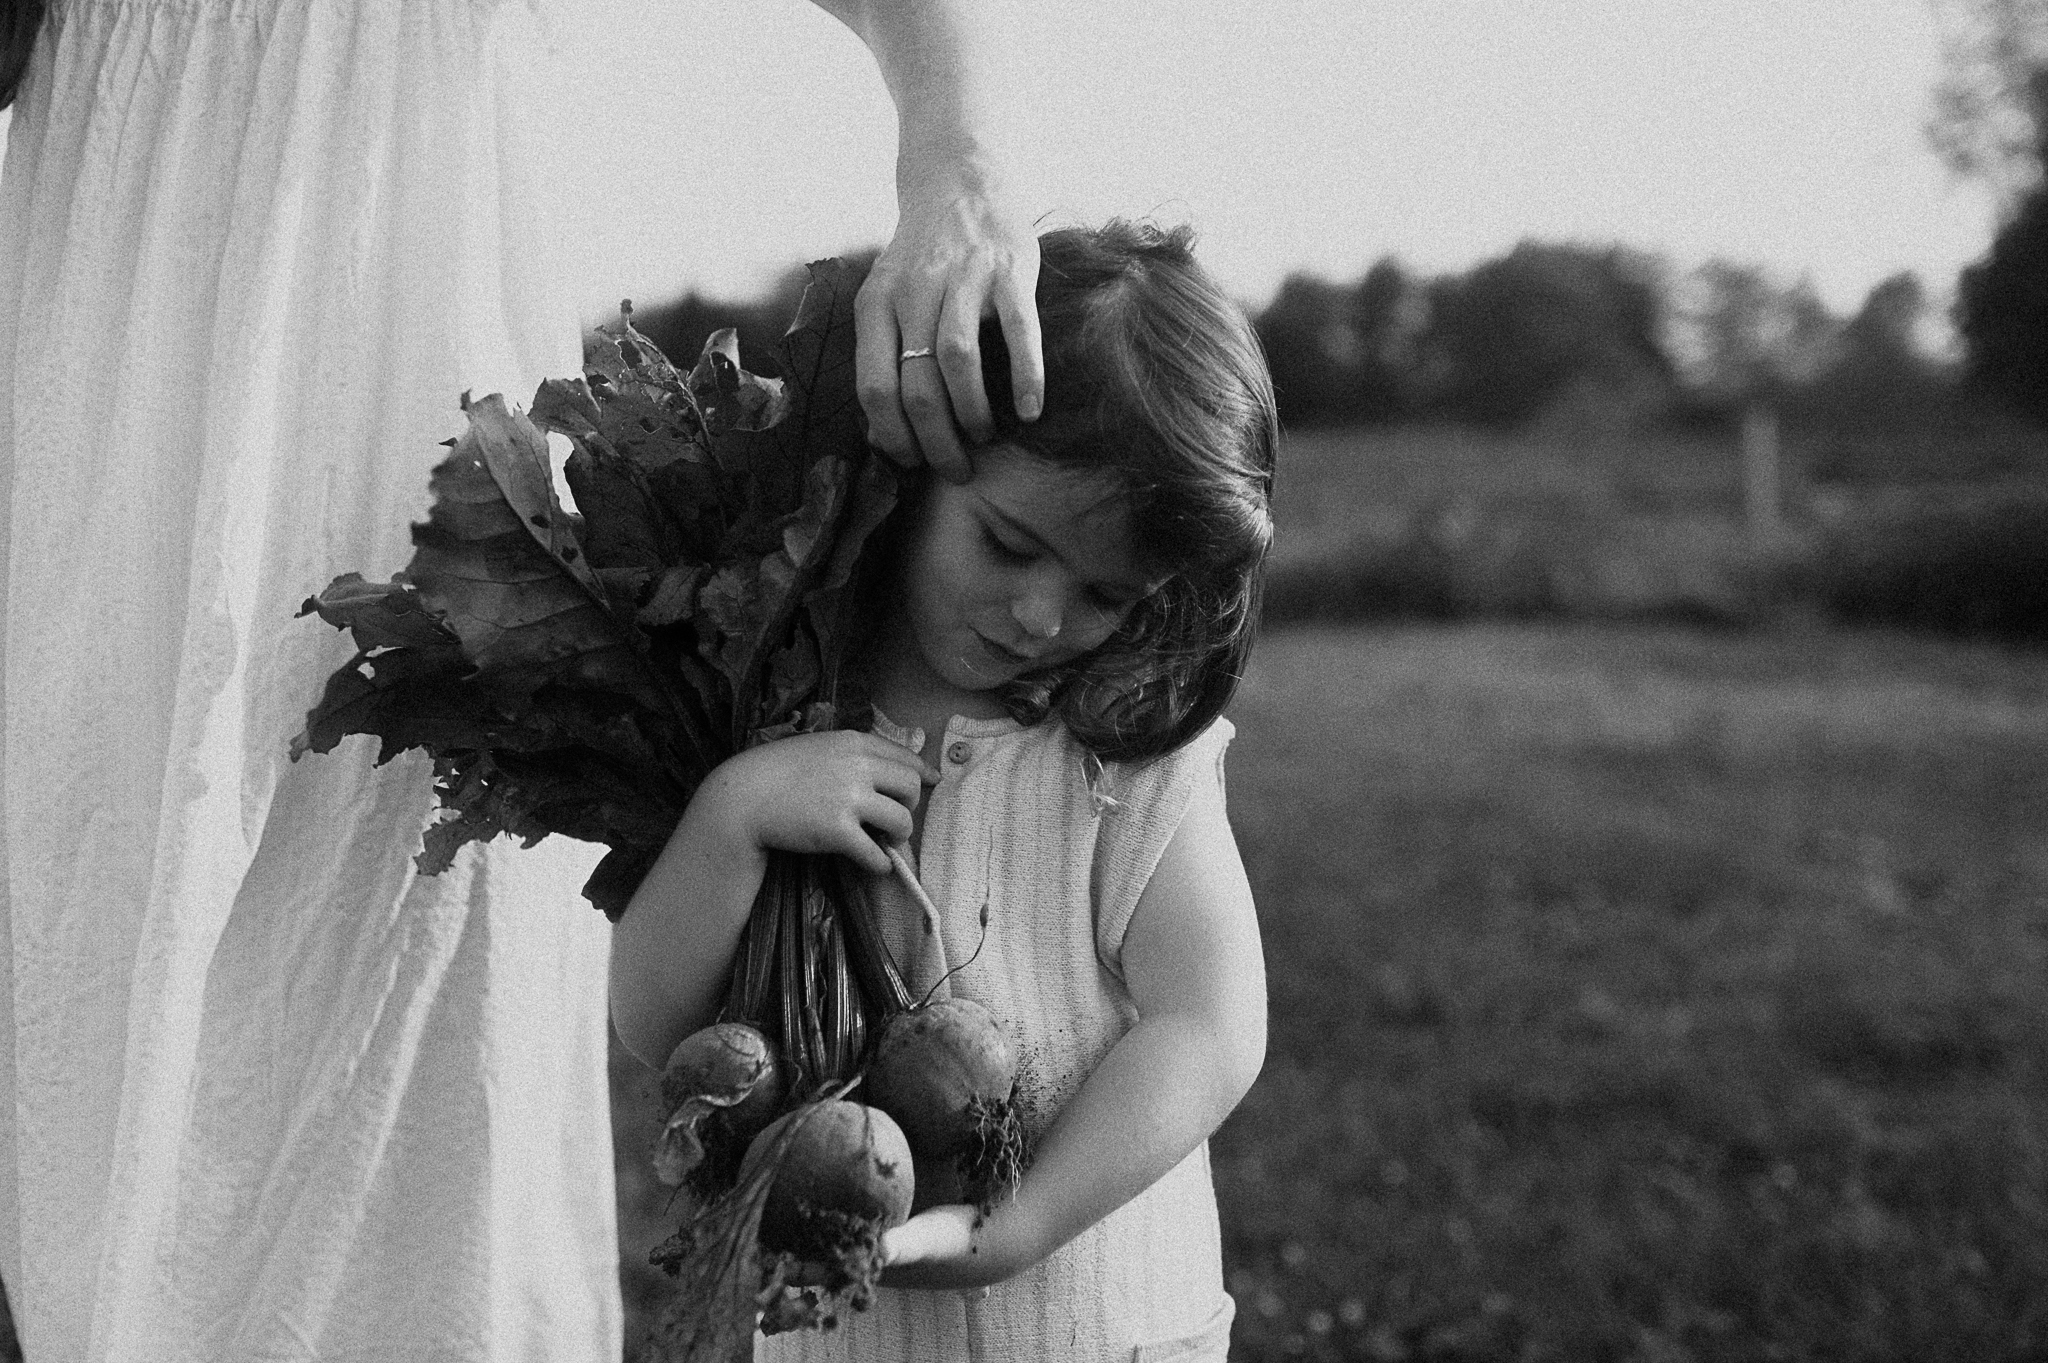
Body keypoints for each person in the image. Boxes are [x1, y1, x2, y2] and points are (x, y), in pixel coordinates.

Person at [0, 0, 1042, 1359]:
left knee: (384, 1129)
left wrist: (961, 156)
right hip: (94, 380)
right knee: (87, 1054)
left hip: (395, 394)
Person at [610, 220, 1277, 1361]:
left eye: (1104, 596)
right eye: (1006, 543)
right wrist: (731, 814)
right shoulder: (772, 715)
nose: (1039, 617)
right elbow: (655, 1020)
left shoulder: (1122, 758)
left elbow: (1209, 1026)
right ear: (912, 465)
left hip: (1104, 1330)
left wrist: (1019, 1223)